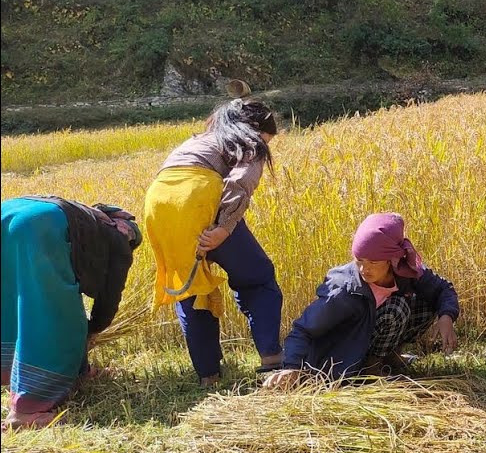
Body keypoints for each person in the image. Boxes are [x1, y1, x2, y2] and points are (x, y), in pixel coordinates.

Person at [143, 97, 284, 386]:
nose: (267, 144)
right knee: (257, 276)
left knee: (191, 289)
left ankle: (209, 376)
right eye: (268, 138)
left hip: (158, 204)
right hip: (197, 199)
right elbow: (241, 181)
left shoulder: (201, 140)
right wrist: (224, 227)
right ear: (258, 130)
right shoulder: (249, 140)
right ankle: (272, 358)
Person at [264, 213, 459, 388]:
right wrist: (292, 367)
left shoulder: (406, 270)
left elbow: (443, 288)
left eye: (373, 262)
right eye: (360, 260)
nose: (365, 269)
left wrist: (446, 317)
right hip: (342, 355)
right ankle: (370, 369)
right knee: (396, 308)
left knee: (425, 303)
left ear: (392, 259)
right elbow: (303, 328)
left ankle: (389, 358)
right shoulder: (343, 290)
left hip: (372, 333)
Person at [2, 196, 142, 429]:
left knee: (11, 305)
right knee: (53, 317)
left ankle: (74, 374)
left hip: (8, 213)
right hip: (35, 229)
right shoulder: (119, 236)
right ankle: (26, 411)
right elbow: (109, 297)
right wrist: (94, 328)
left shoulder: (86, 214)